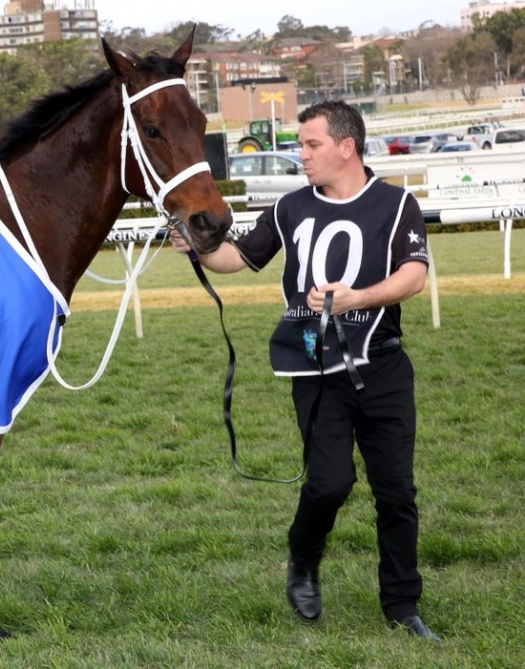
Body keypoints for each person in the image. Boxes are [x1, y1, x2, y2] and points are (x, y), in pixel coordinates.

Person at [173, 100, 439, 640]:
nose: (303, 154)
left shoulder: (396, 203)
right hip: (314, 366)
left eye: (312, 144)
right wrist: (198, 248)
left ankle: (402, 606)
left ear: (346, 146)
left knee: (396, 492)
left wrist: (358, 297)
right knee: (330, 482)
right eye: (302, 144)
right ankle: (303, 559)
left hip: (384, 366)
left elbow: (414, 276)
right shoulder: (290, 207)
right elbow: (238, 259)